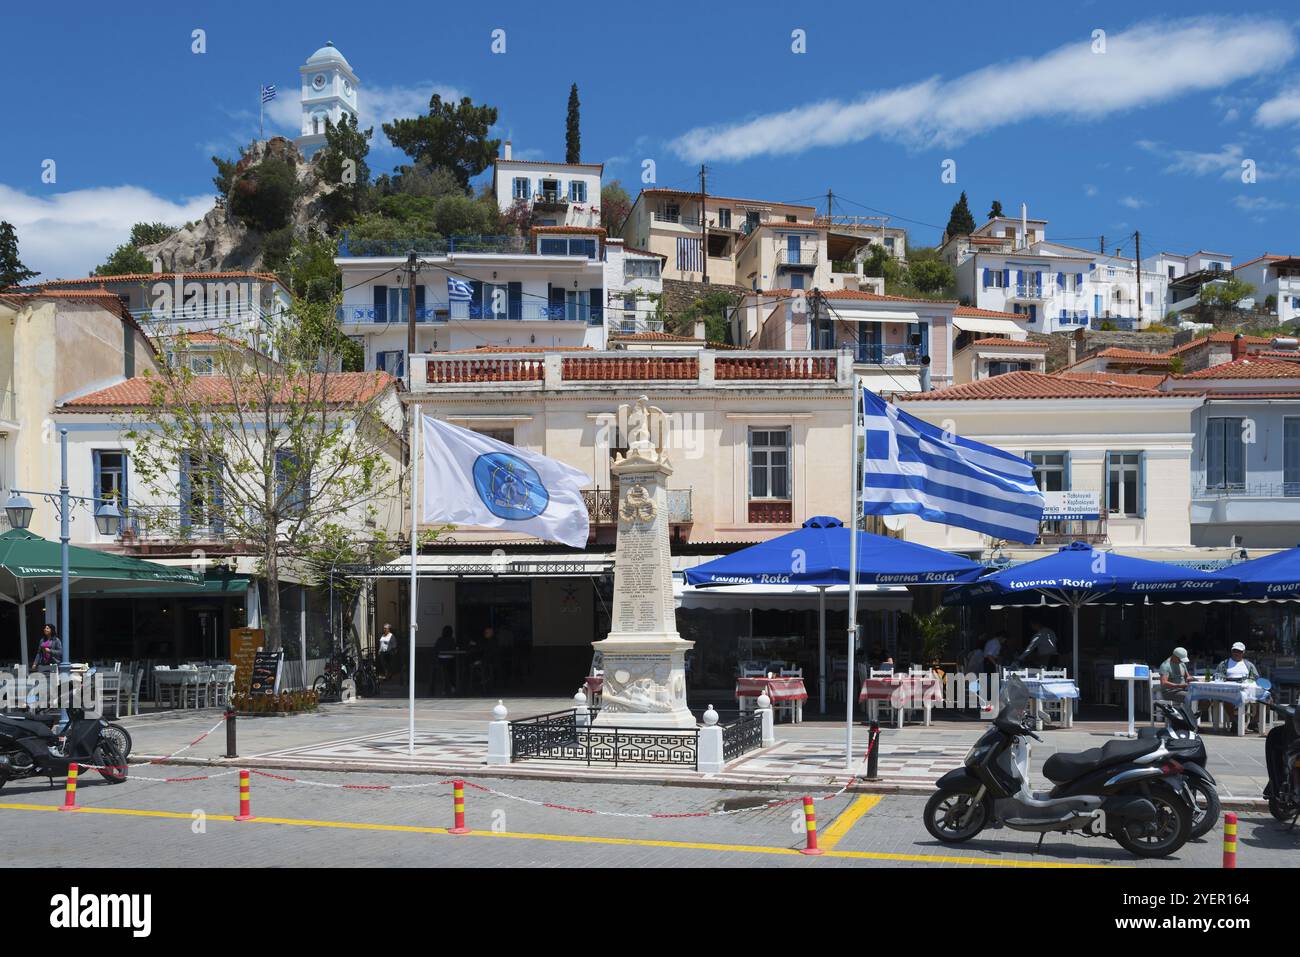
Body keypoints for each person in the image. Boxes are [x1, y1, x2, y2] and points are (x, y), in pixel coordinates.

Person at [1215, 641, 1261, 730]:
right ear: (1231, 651)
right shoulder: (1224, 664)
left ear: (1243, 653)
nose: (1236, 653)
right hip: (1230, 689)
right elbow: (1217, 675)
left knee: (1267, 699)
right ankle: (1234, 722)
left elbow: (1256, 677)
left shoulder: (1249, 664)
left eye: (1239, 651)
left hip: (1247, 689)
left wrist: (1249, 680)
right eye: (1234, 651)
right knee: (1226, 698)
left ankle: (1254, 722)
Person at [433, 625, 459, 695]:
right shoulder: (452, 640)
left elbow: (435, 650)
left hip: (440, 660)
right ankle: (453, 686)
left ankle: (444, 689)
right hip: (450, 660)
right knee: (452, 671)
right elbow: (454, 650)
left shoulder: (439, 640)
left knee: (444, 673)